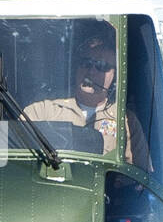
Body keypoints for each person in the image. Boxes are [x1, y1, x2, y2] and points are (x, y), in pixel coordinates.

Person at [23, 22, 147, 166]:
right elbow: (10, 159)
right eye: (86, 63)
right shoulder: (42, 111)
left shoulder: (125, 121)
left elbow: (140, 176)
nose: (91, 71)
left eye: (101, 66)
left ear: (115, 75)